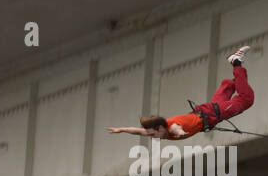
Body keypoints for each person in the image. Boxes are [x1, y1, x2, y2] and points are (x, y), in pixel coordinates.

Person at [108, 47, 254, 142]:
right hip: (208, 114)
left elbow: (176, 128)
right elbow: (138, 131)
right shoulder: (162, 131)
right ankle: (230, 84)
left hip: (213, 114)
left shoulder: (171, 127)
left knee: (246, 99)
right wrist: (121, 130)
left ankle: (236, 63)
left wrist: (181, 133)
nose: (152, 138)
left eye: (153, 134)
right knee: (231, 92)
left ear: (161, 128)